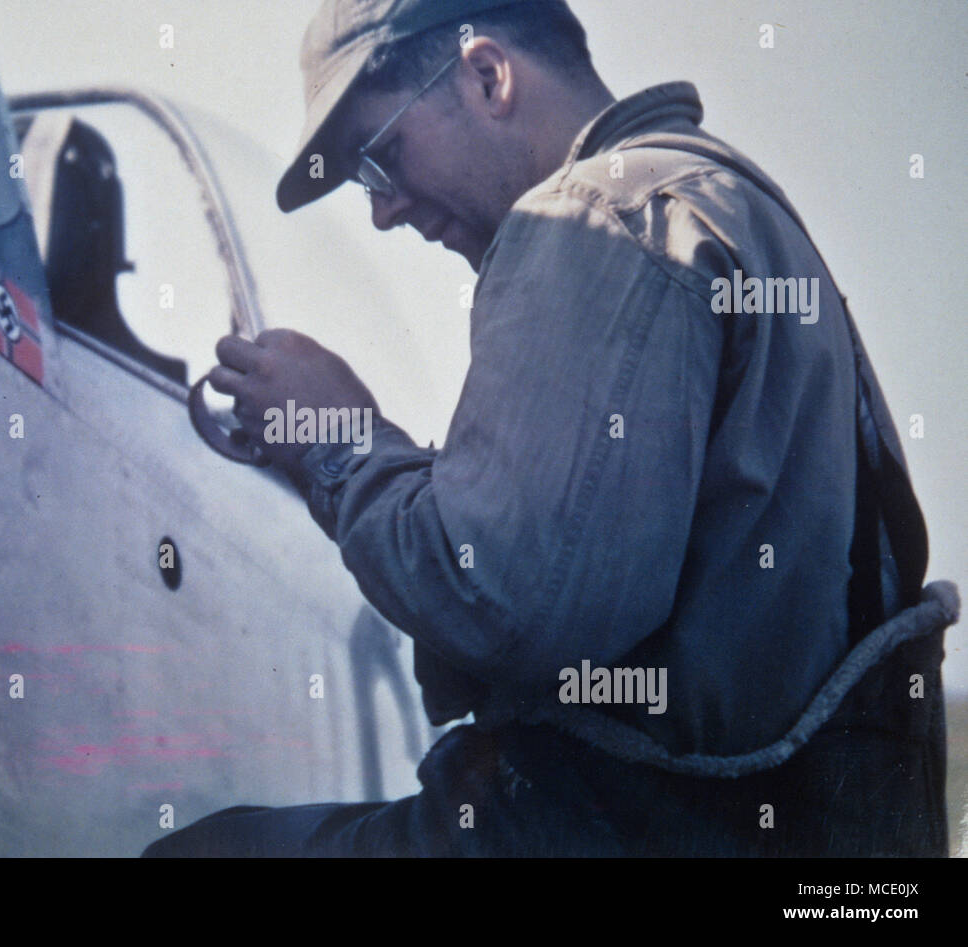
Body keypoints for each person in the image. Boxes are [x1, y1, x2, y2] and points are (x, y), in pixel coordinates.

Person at [143, 0, 957, 856]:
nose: (381, 212)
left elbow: (504, 603)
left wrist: (339, 441)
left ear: (488, 75)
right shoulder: (724, 208)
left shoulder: (594, 217)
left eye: (379, 159)